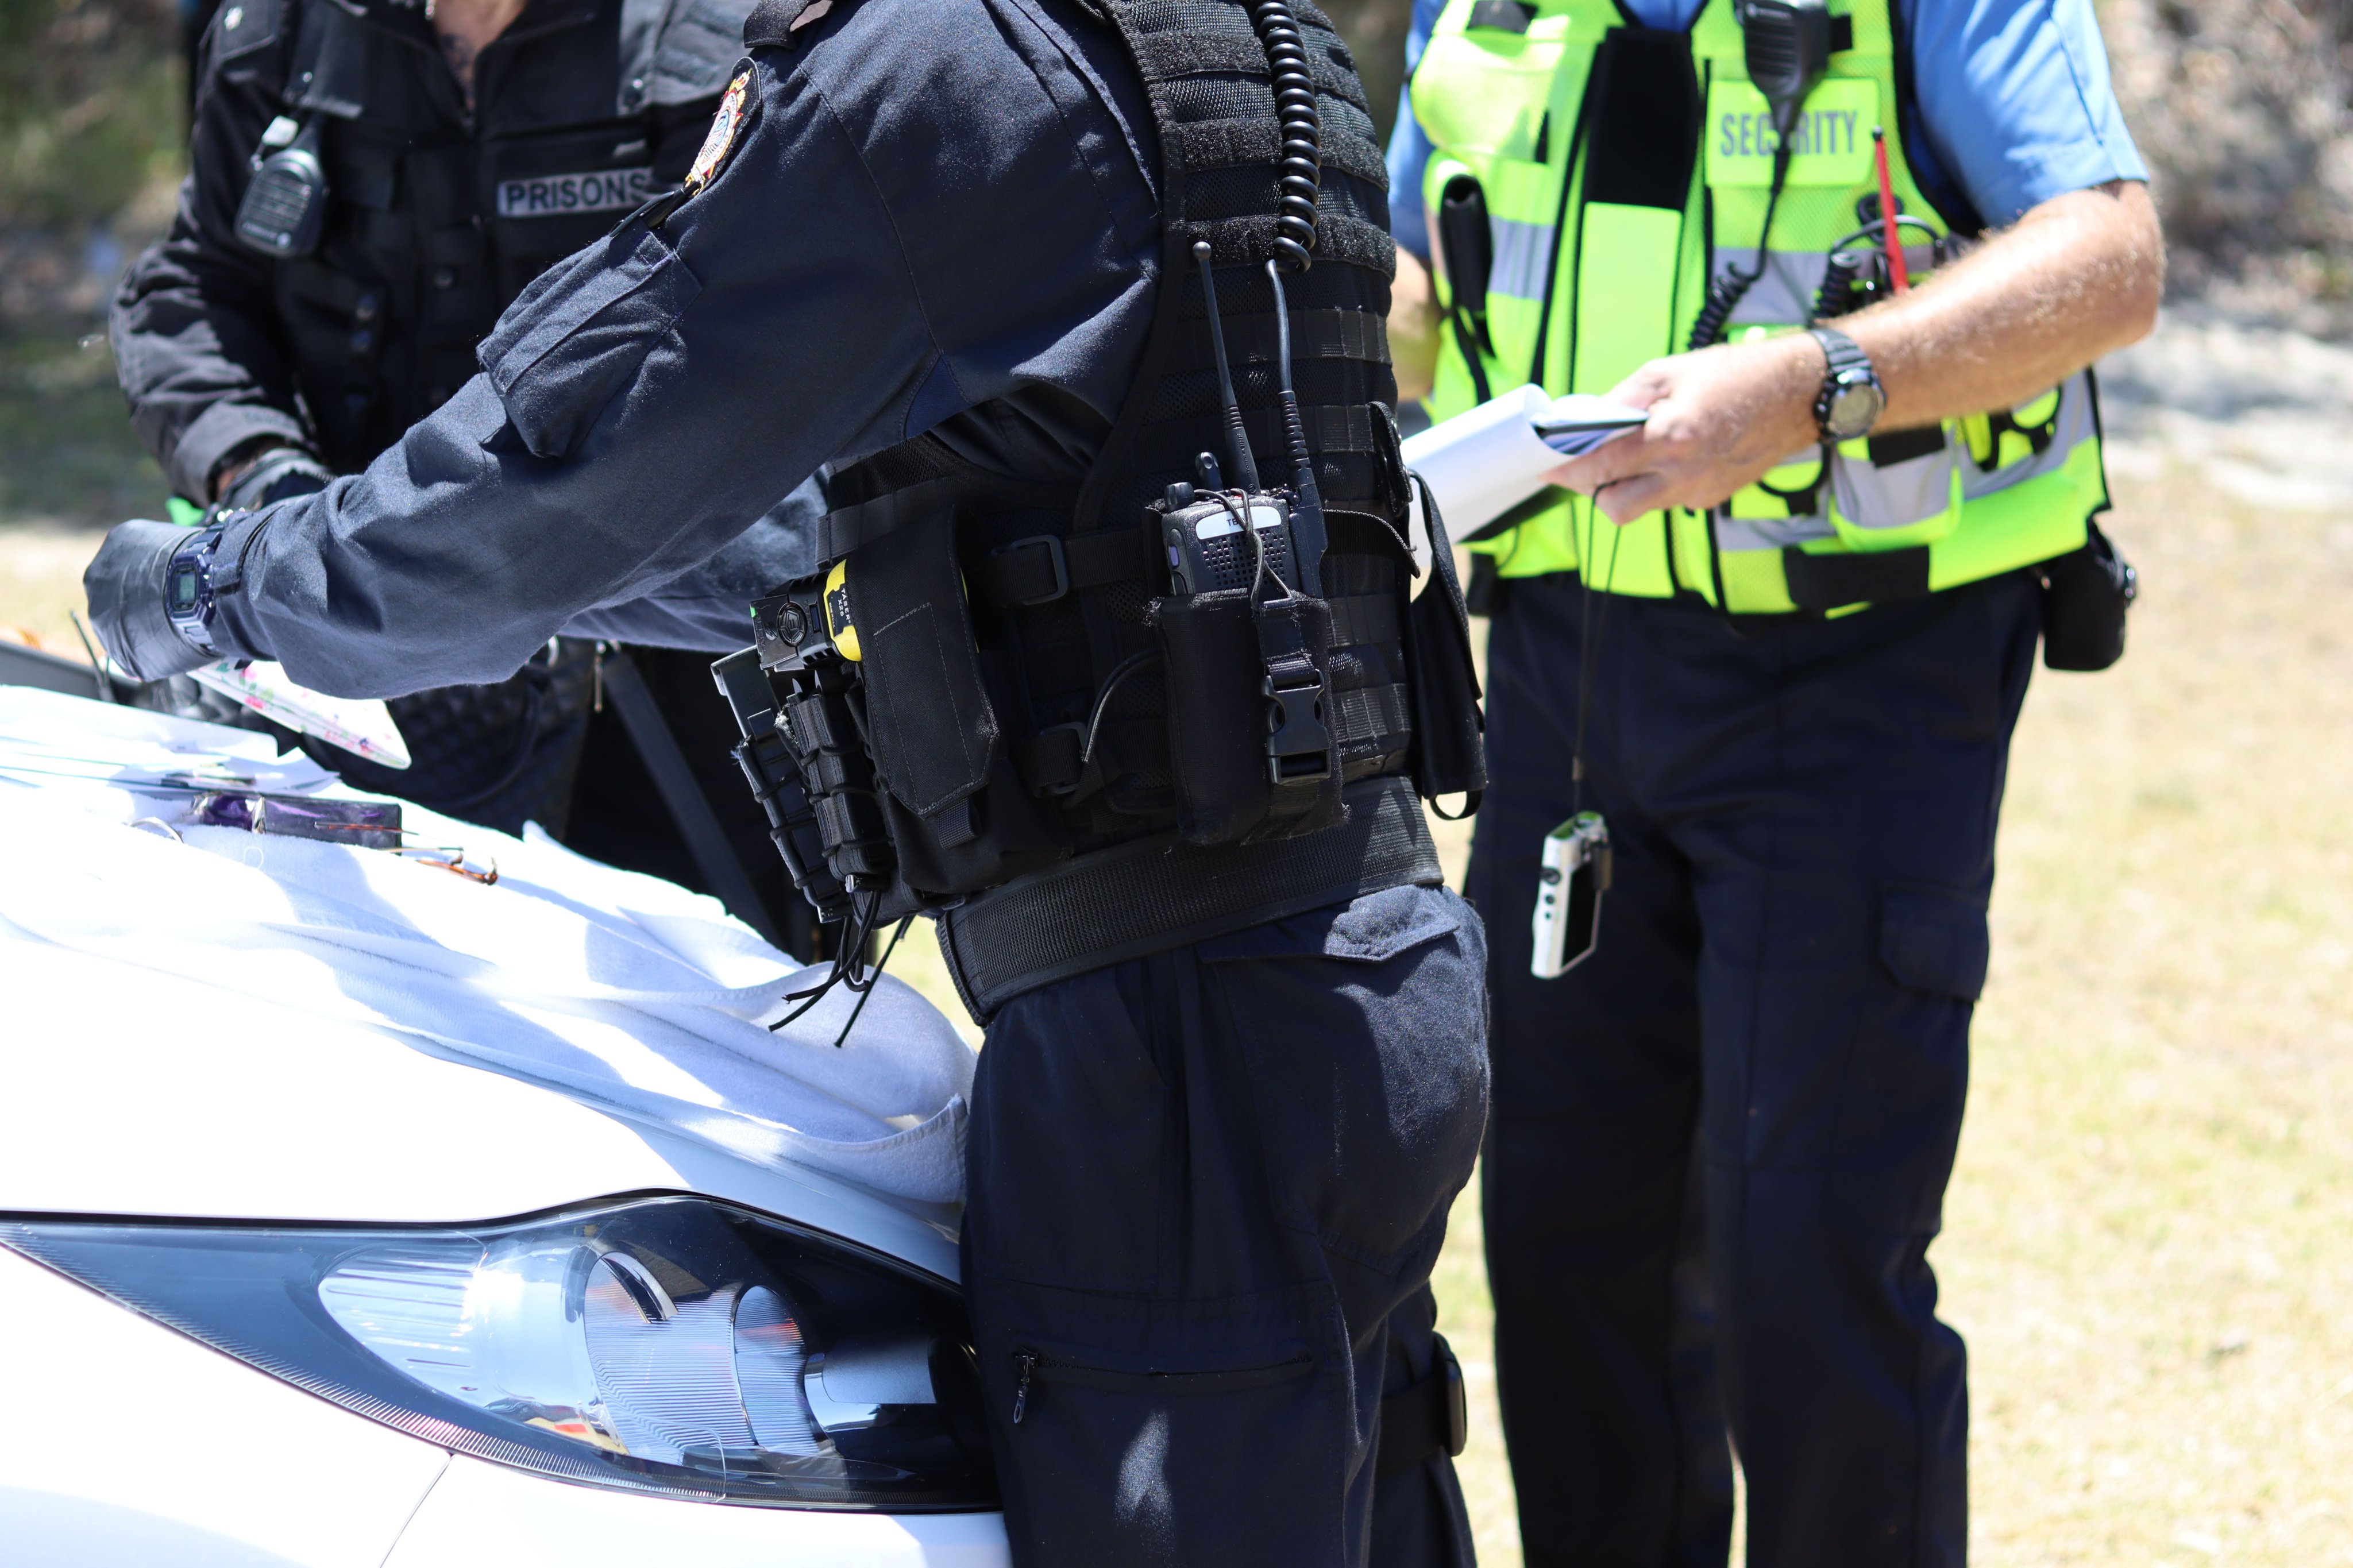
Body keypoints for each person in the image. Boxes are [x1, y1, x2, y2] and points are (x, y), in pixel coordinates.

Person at [84, 1, 1491, 1562]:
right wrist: (507, 579)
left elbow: (562, 465)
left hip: (1172, 1056)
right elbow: (878, 541)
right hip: (1357, 974)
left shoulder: (947, 68)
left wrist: (230, 590)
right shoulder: (1239, 41)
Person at [1384, 0, 2163, 1563]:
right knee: (1560, 1239)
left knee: (1806, 1257)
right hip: (1569, 660)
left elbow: (2110, 260)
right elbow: (1424, 283)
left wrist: (1815, 385)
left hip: (1862, 676)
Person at [112, 0, 823, 951]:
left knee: (698, 1033)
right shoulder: (280, 34)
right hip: (343, 641)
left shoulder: (733, 37)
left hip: (659, 681)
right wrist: (263, 476)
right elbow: (192, 296)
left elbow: (755, 366)